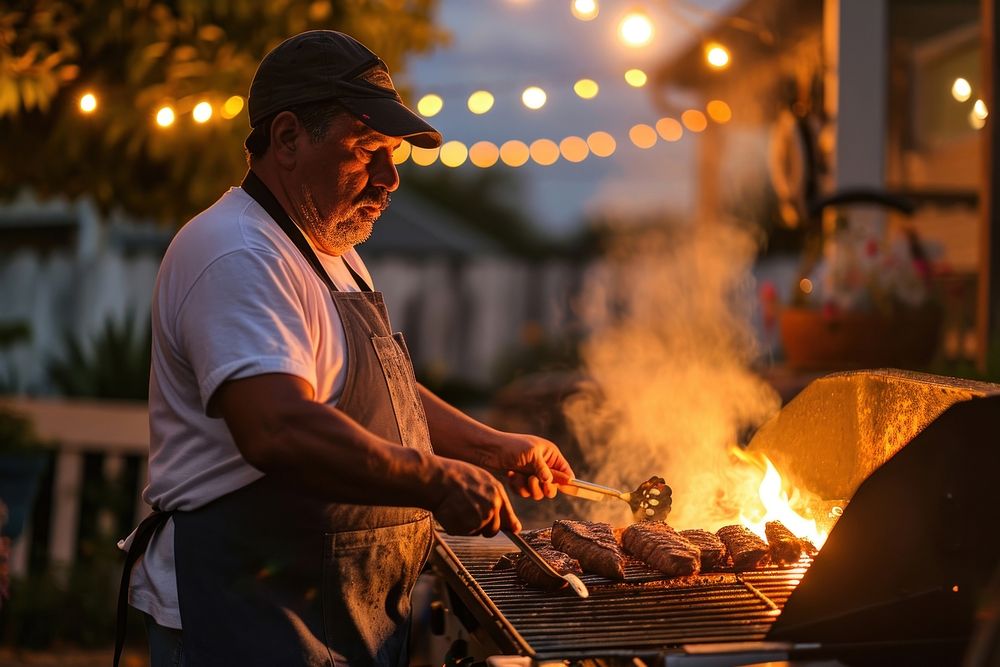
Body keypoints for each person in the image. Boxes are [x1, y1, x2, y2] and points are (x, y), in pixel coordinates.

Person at [115, 30, 574, 667]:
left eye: (393, 154)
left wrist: (488, 447)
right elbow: (277, 427)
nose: (389, 178)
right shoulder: (238, 252)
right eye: (365, 150)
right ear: (287, 139)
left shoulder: (331, 252)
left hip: (336, 606)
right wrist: (435, 480)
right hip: (248, 610)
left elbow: (377, 390)